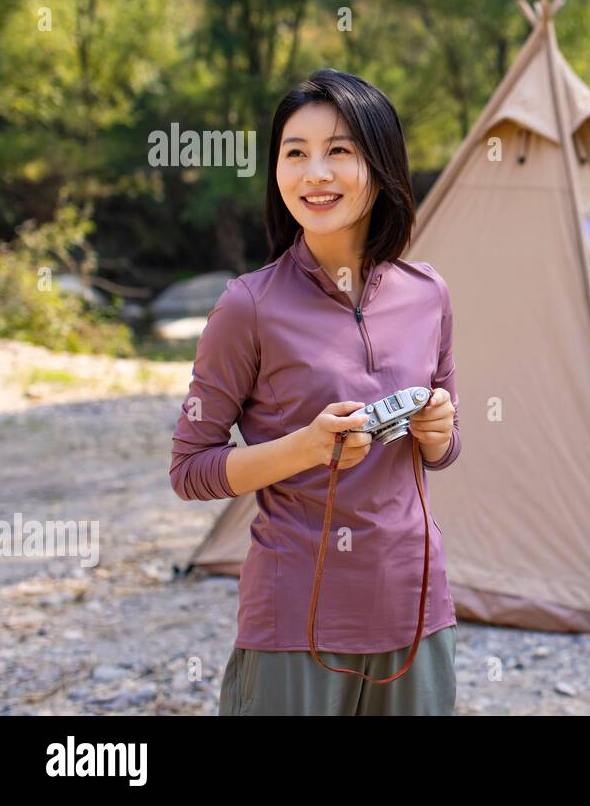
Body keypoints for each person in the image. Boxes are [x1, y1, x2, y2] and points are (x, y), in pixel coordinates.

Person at [170, 69, 462, 714]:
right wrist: (306, 447)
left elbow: (442, 449)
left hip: (416, 605)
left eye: (339, 151)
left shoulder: (428, 292)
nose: (314, 173)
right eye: (294, 153)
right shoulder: (249, 305)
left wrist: (441, 434)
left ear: (380, 166)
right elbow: (190, 470)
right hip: (295, 618)